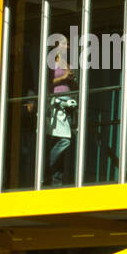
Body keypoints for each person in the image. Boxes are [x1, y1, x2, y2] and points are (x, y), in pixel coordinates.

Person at [46, 47, 76, 186]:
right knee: (63, 140)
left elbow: (72, 83)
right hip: (56, 103)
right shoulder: (51, 63)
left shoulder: (67, 63)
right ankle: (47, 165)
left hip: (68, 104)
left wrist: (71, 77)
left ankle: (57, 180)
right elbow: (46, 83)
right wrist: (64, 77)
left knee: (65, 142)